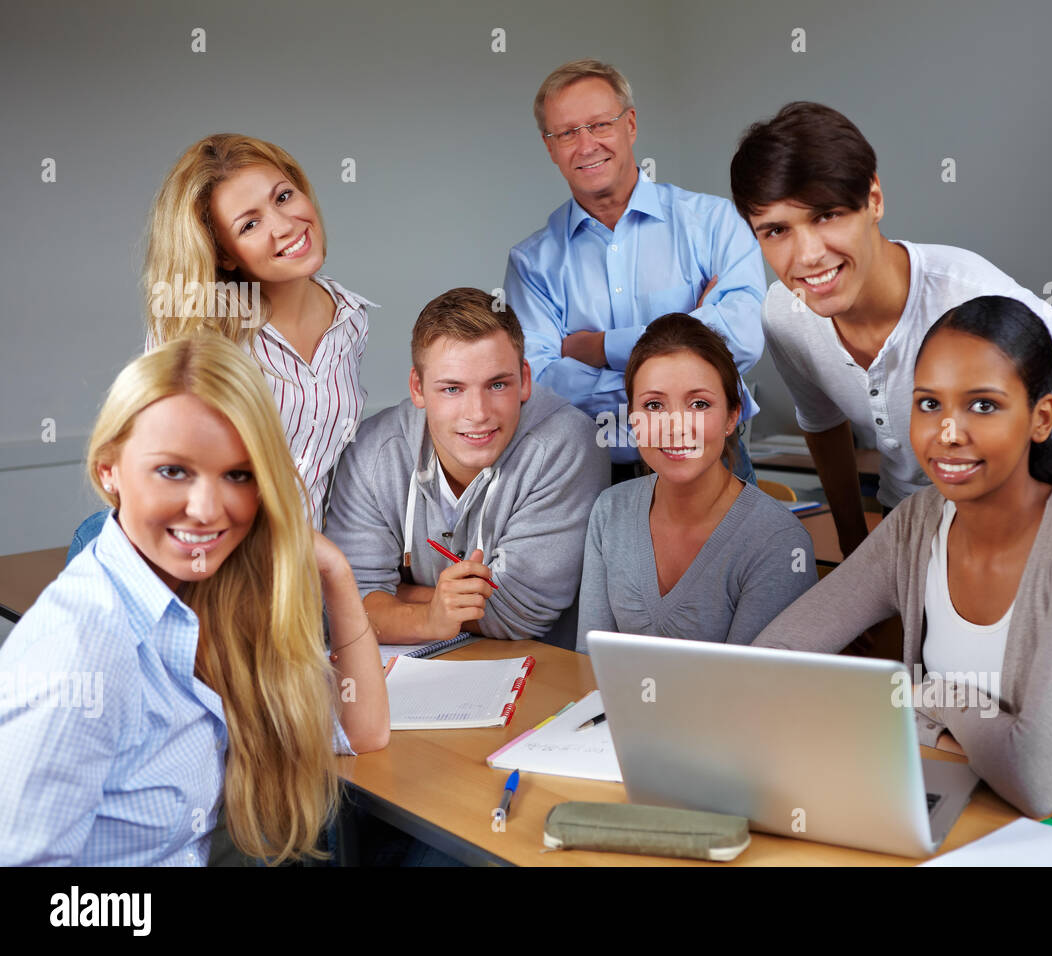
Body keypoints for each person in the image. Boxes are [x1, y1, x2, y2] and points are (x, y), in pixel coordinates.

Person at [730, 101, 1052, 662]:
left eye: (827, 215)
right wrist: (856, 553)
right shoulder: (787, 314)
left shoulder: (974, 302)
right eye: (776, 230)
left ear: (875, 200)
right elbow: (823, 422)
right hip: (908, 536)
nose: (807, 254)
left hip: (1018, 543)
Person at [755, 296, 1052, 820]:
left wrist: (931, 695)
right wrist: (944, 724)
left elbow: (1039, 778)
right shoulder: (917, 522)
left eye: (983, 405)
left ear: (1041, 418)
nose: (948, 434)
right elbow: (772, 656)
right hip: (967, 815)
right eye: (929, 404)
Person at [0, 335, 389, 866]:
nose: (207, 510)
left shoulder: (215, 597)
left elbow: (364, 730)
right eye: (173, 471)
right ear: (108, 470)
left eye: (238, 475)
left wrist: (336, 573)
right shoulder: (81, 653)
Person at [505, 59, 766, 484]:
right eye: (567, 132)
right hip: (592, 476)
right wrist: (692, 345)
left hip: (715, 465)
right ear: (550, 147)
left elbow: (743, 338)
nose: (586, 145)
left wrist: (597, 348)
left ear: (630, 124)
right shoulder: (531, 263)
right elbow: (541, 387)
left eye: (600, 124)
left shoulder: (714, 222)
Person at [324, 288, 607, 650]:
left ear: (525, 379)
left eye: (498, 384)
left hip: (541, 677)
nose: (478, 413)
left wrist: (396, 597)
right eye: (452, 389)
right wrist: (431, 617)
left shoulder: (566, 443)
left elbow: (520, 613)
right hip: (415, 680)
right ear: (418, 388)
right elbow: (344, 610)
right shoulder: (372, 449)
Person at [143, 133, 377, 530]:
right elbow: (167, 479)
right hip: (216, 569)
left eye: (283, 197)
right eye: (250, 224)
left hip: (306, 576)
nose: (285, 226)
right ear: (223, 254)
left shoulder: (351, 318)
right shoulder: (199, 334)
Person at [577, 314, 816, 651]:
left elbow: (749, 690)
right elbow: (588, 662)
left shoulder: (778, 543)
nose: (675, 426)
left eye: (699, 404)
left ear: (733, 416)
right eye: (654, 405)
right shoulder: (609, 510)